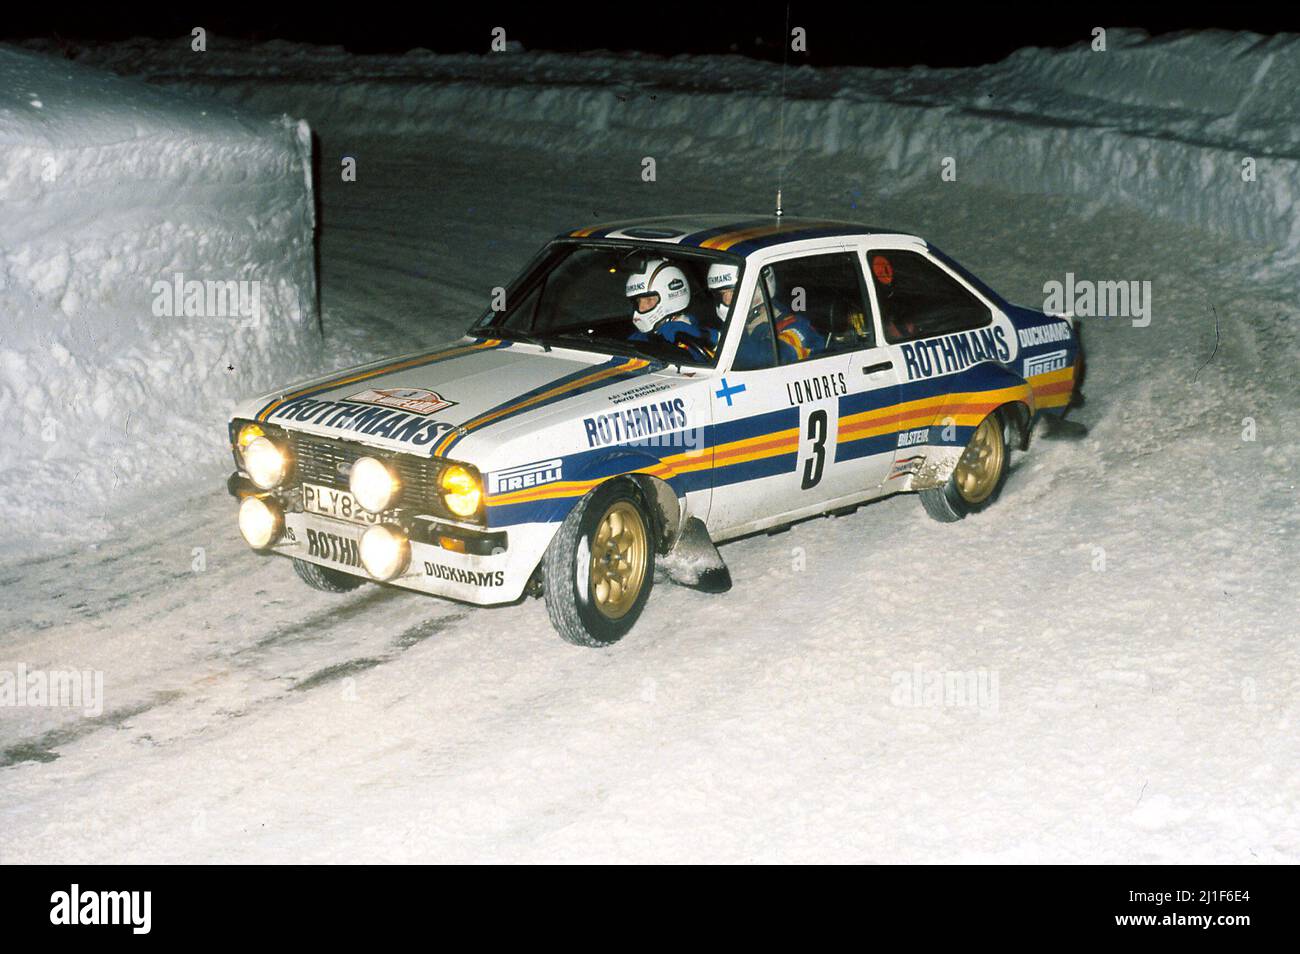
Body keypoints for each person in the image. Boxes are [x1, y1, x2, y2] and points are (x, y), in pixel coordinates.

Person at [707, 262, 821, 366]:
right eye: (721, 294)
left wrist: (716, 338)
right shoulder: (719, 323)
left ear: (758, 289)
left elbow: (763, 359)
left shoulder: (797, 326)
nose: (726, 301)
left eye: (733, 292)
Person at [625, 258, 720, 361]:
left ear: (671, 297)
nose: (641, 308)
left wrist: (696, 336)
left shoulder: (693, 334)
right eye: (638, 301)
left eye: (649, 300)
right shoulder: (640, 337)